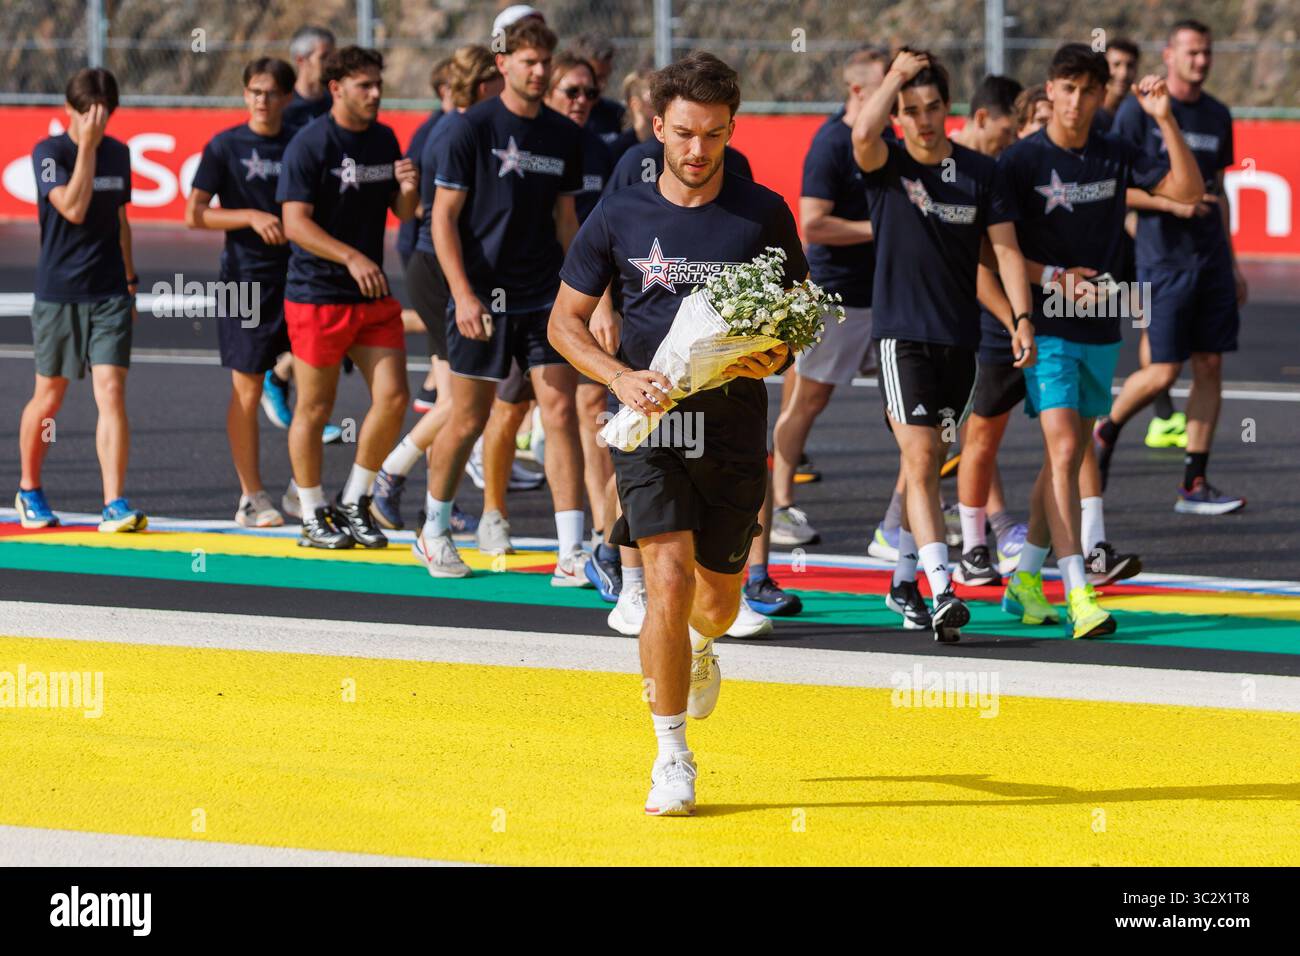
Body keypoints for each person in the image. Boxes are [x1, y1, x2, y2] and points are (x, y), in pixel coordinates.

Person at [549, 52, 807, 816]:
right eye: (685, 133)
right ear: (657, 126)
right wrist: (617, 375)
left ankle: (699, 649)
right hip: (651, 425)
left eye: (715, 135)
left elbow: (795, 324)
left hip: (731, 427)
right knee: (663, 578)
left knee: (718, 602)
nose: (698, 151)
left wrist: (778, 350)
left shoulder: (762, 214)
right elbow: (564, 323)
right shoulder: (620, 212)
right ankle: (671, 757)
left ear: (732, 129)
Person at [997, 43, 1202, 638]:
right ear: (1050, 91)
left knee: (1064, 455)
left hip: (1101, 324)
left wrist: (1165, 119)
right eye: (1068, 88)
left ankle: (1024, 580)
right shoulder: (1020, 162)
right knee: (1065, 452)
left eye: (1089, 90)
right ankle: (1079, 592)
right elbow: (995, 247)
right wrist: (1047, 285)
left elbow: (1186, 192)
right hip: (1048, 324)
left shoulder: (1115, 151)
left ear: (1098, 95)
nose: (1078, 101)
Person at [851, 48, 1035, 642]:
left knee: (921, 464)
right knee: (925, 456)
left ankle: (903, 579)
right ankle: (942, 587)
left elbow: (1004, 251)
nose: (923, 119)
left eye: (932, 108)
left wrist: (1020, 318)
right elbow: (861, 129)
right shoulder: (887, 165)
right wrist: (896, 76)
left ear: (949, 109)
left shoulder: (982, 174)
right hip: (900, 338)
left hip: (960, 343)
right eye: (911, 109)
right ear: (898, 114)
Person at [417, 19, 589, 583]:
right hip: (481, 299)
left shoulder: (564, 136)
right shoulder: (469, 129)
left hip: (543, 296)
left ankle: (571, 549)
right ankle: (434, 529)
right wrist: (463, 294)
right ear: (503, 64)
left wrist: (585, 296)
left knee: (559, 412)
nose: (538, 71)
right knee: (467, 418)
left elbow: (567, 221)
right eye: (527, 61)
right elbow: (440, 217)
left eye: (545, 61)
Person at [1095, 20, 1247, 516]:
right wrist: (1172, 205)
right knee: (1161, 373)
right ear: (1168, 55)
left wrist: (1233, 261)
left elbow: (1218, 189)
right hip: (1161, 261)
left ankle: (1194, 483)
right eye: (1191, 53)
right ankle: (1106, 428)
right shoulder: (1141, 113)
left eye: (1206, 53)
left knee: (1210, 364)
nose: (1200, 61)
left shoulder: (1218, 114)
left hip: (1211, 261)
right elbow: (1115, 187)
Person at [276, 45, 418, 548]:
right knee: (315, 408)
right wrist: (351, 257)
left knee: (394, 397)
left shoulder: (384, 137)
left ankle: (356, 498)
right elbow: (295, 223)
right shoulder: (309, 144)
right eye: (365, 86)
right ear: (336, 89)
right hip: (318, 294)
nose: (375, 93)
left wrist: (406, 190)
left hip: (371, 295)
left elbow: (402, 210)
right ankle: (312, 511)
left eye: (378, 84)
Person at [370, 46, 503, 537]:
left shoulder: (456, 125)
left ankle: (419, 495)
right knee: (459, 401)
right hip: (436, 263)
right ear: (482, 83)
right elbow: (431, 211)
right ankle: (389, 478)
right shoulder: (455, 128)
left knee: (454, 395)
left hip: (437, 262)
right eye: (498, 79)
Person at [18, 67, 146, 533]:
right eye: (90, 113)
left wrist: (131, 281)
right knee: (49, 398)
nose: (99, 122)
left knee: (111, 392)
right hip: (60, 294)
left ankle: (114, 502)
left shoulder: (120, 153)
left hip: (109, 291)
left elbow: (120, 219)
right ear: (69, 110)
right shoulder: (49, 153)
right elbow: (72, 208)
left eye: (106, 114)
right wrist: (87, 148)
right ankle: (29, 487)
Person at [770, 47, 889, 549]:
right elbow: (812, 223)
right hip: (835, 297)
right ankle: (778, 507)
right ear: (860, 90)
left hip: (885, 295)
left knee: (913, 403)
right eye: (890, 86)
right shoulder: (831, 144)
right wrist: (878, 228)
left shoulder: (886, 140)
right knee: (806, 400)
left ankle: (914, 510)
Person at [186, 57, 299, 528]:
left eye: (271, 92)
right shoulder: (225, 146)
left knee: (318, 382)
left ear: (288, 97)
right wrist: (249, 217)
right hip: (242, 281)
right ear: (244, 93)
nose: (262, 100)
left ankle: (301, 490)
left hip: (298, 280)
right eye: (254, 91)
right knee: (246, 389)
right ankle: (251, 496)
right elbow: (195, 213)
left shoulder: (301, 143)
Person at [948, 73, 1031, 585]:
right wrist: (1013, 318)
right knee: (954, 438)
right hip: (944, 320)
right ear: (981, 118)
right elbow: (977, 261)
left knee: (967, 434)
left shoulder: (997, 168)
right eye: (1008, 129)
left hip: (976, 318)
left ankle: (987, 531)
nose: (1014, 139)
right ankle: (965, 542)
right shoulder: (949, 166)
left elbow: (1001, 251)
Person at [570, 33, 627, 149]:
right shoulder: (561, 113)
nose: (602, 84)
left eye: (606, 76)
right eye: (597, 77)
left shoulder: (616, 114)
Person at [283, 25, 336, 131]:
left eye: (333, 56)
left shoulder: (336, 102)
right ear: (300, 60)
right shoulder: (283, 107)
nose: (331, 62)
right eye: (323, 57)